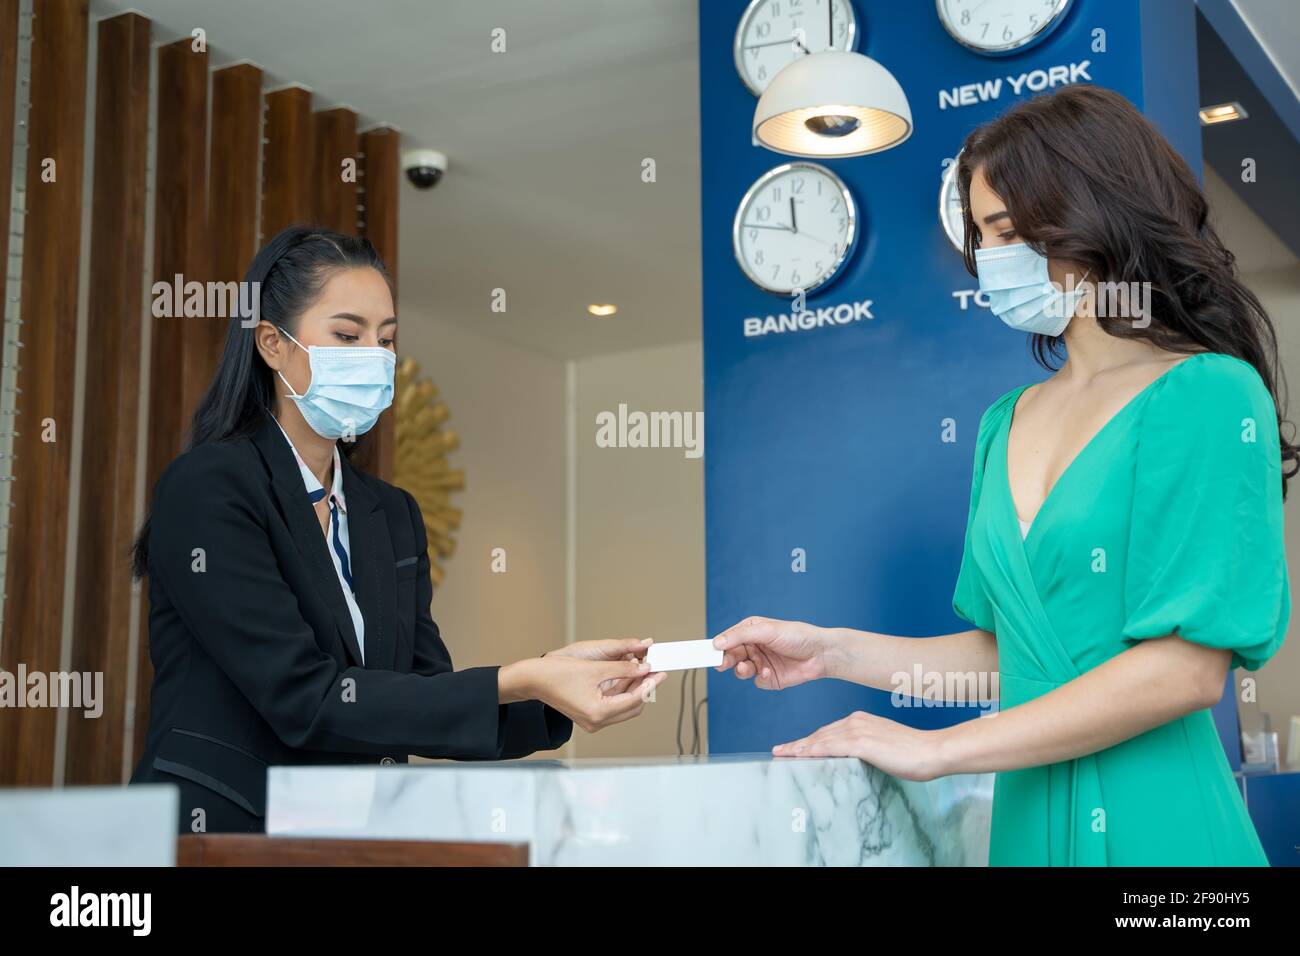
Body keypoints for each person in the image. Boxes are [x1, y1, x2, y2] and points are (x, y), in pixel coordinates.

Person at [714, 85, 1291, 866]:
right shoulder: (1003, 423)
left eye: (1013, 230)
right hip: (1025, 827)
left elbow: (1182, 673)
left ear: (1099, 216)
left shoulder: (1210, 396)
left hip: (1163, 828)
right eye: (984, 236)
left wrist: (942, 749)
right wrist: (830, 650)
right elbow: (1014, 657)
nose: (994, 259)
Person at [129, 226, 666, 834]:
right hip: (218, 837)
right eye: (347, 334)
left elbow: (421, 693)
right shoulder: (209, 487)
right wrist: (525, 678)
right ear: (272, 345)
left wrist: (554, 682)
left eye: (386, 340)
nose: (374, 357)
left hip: (350, 838)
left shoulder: (391, 512)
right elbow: (302, 698)